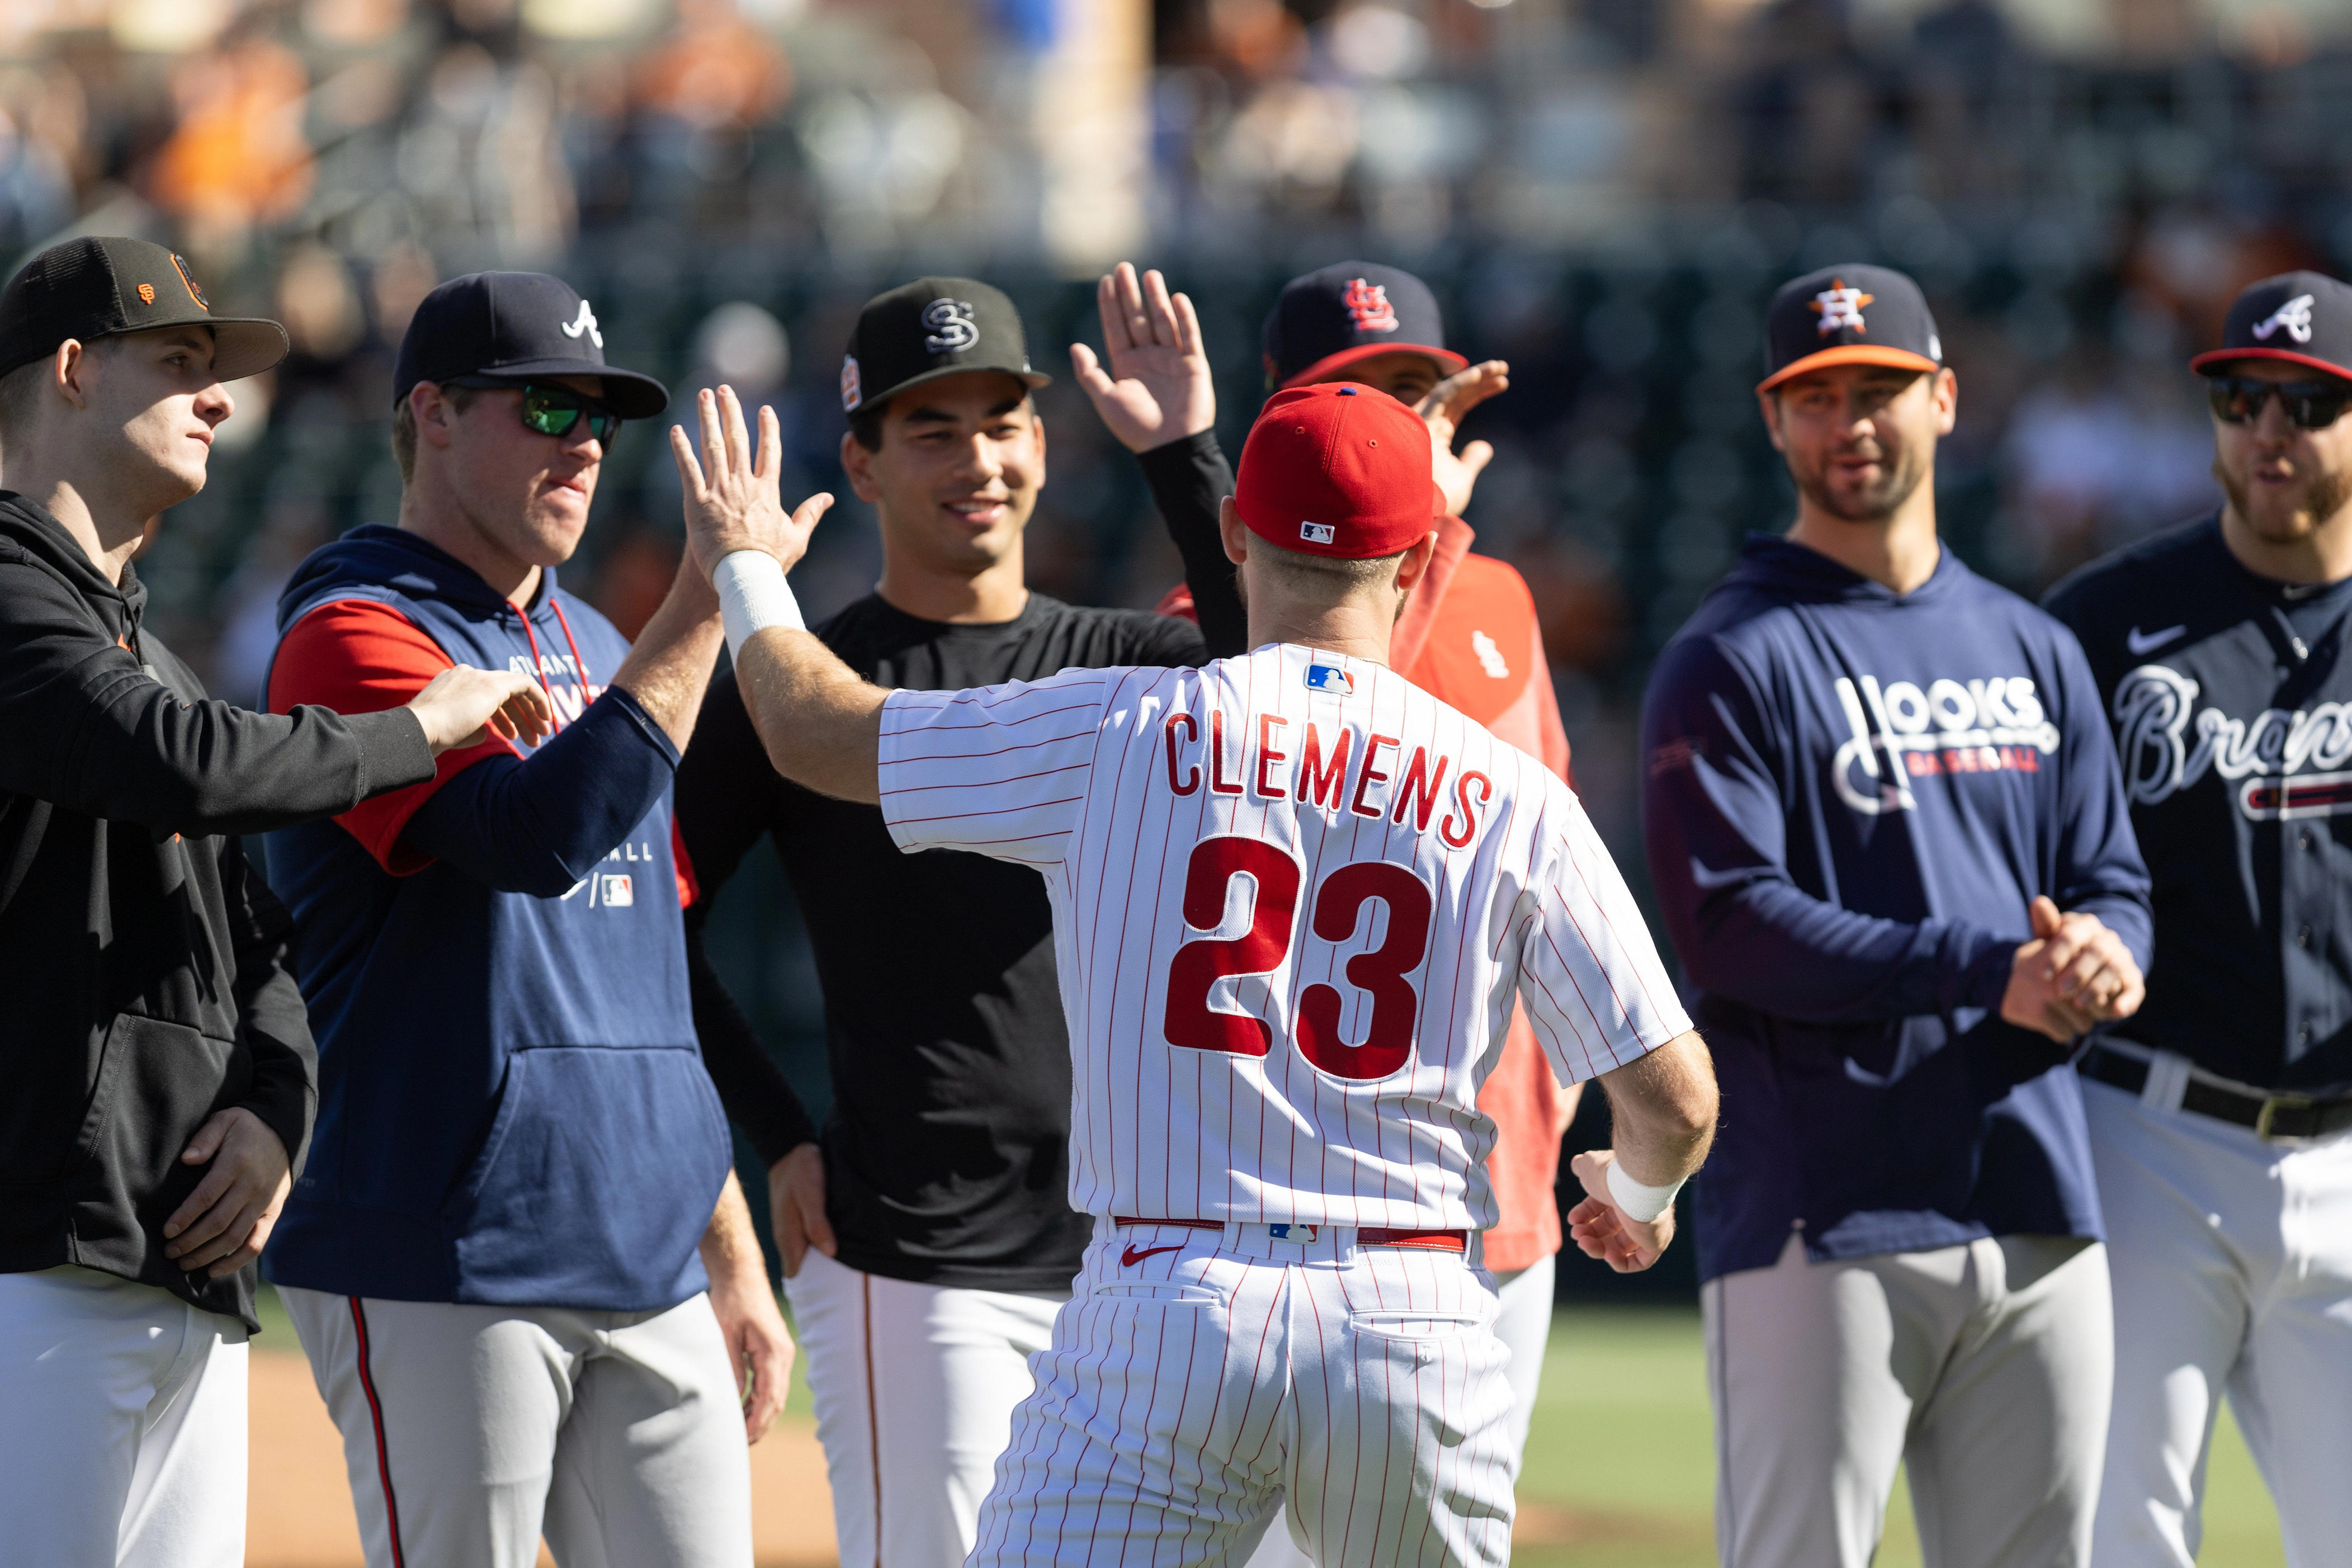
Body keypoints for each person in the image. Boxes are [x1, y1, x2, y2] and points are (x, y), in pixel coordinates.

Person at [677, 374, 1718, 1567]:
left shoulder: (1120, 724)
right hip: (1411, 1304)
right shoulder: (1510, 794)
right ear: (1423, 550)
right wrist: (1633, 1202)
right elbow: (1679, 1099)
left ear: (1236, 534)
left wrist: (750, 563)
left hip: (1172, 1298)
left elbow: (811, 728)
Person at [675, 276, 1241, 1568]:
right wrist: (774, 1132)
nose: (977, 458)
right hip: (914, 1253)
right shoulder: (805, 684)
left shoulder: (1130, 665)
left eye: (1002, 421)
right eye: (932, 431)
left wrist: (1182, 457)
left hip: (1138, 1255)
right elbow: (644, 916)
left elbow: (1287, 678)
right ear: (861, 463)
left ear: (1043, 443)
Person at [0, 237, 547, 1568]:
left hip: (176, 1268)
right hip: (25, 1264)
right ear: (73, 370)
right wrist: (418, 727)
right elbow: (187, 764)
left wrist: (275, 1108)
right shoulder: (12, 603)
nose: (220, 398)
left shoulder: (147, 649)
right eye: (179, 363)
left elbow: (266, 944)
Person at [258, 270, 791, 1568]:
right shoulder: (353, 631)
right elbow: (530, 839)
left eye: (601, 416)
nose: (586, 441)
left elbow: (648, 974)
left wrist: (730, 1243)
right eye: (548, 406)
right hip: (443, 1247)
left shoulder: (603, 639)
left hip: (649, 1246)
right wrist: (711, 596)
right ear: (433, 414)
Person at [1639, 263, 2156, 1568]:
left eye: (1878, 390)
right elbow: (1733, 929)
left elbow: (2115, 882)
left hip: (2034, 1195)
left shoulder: (2032, 646)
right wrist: (1992, 969)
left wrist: (2107, 957)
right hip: (1825, 1212)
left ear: (1945, 397)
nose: (1848, 423)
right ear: (1771, 421)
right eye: (1814, 397)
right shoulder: (1733, 657)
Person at [1070, 263, 1579, 1543]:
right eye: (1356, 395)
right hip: (1305, 1196)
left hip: (1496, 1160)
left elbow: (1551, 853)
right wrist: (1423, 537)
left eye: (1416, 389)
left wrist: (1557, 1099)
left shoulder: (1506, 597)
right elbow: (1340, 723)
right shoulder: (1218, 610)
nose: (1394, 424)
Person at [2044, 271, 2352, 1568]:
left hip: (2347, 1151)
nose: (2267, 431)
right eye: (2239, 399)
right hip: (2147, 1133)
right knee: (2128, 1529)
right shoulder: (2108, 625)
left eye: (2306, 401)